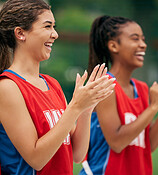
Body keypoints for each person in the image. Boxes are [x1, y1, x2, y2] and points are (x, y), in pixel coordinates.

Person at [0, 1, 116, 174]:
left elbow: (77, 154)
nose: (55, 34)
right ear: (20, 33)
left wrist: (86, 108)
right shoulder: (8, 87)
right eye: (47, 26)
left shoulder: (52, 84)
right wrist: (75, 106)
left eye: (54, 27)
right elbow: (36, 159)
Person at [79, 15, 158, 175]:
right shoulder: (105, 85)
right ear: (114, 46)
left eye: (143, 39)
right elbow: (117, 142)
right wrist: (153, 107)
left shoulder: (142, 88)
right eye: (135, 39)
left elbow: (148, 144)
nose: (143, 45)